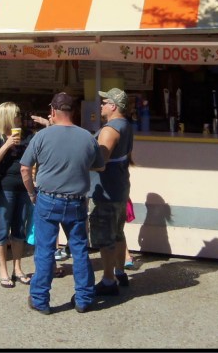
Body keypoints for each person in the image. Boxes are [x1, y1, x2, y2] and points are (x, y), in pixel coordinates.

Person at [20, 92, 104, 314]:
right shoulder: (87, 137)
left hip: (47, 198)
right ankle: (84, 299)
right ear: (74, 111)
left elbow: (25, 168)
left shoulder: (41, 137)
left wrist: (31, 193)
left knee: (45, 250)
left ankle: (40, 299)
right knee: (79, 250)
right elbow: (99, 165)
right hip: (76, 201)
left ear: (53, 111)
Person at [89, 88, 135, 295]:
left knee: (106, 237)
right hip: (120, 188)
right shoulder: (125, 125)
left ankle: (108, 281)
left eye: (104, 101)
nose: (101, 105)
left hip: (106, 192)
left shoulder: (109, 130)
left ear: (114, 106)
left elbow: (100, 163)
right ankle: (120, 271)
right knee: (118, 233)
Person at [0, 101, 33, 288]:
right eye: (17, 114)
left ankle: (18, 268)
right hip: (5, 188)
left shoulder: (28, 135)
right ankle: (3, 270)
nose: (20, 117)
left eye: (20, 114)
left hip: (23, 187)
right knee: (3, 228)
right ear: (7, 117)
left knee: (19, 229)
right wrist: (6, 145)